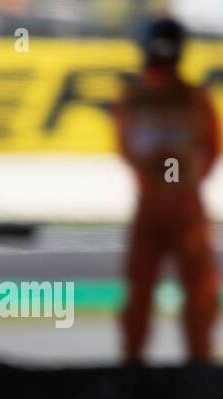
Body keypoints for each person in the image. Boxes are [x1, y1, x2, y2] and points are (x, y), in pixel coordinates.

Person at [114, 16, 219, 363]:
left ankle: (137, 361)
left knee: (161, 287)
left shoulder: (137, 97)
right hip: (179, 202)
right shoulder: (189, 97)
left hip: (163, 202)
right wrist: (184, 182)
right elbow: (212, 147)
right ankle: (195, 361)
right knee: (187, 288)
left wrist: (157, 182)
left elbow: (125, 147)